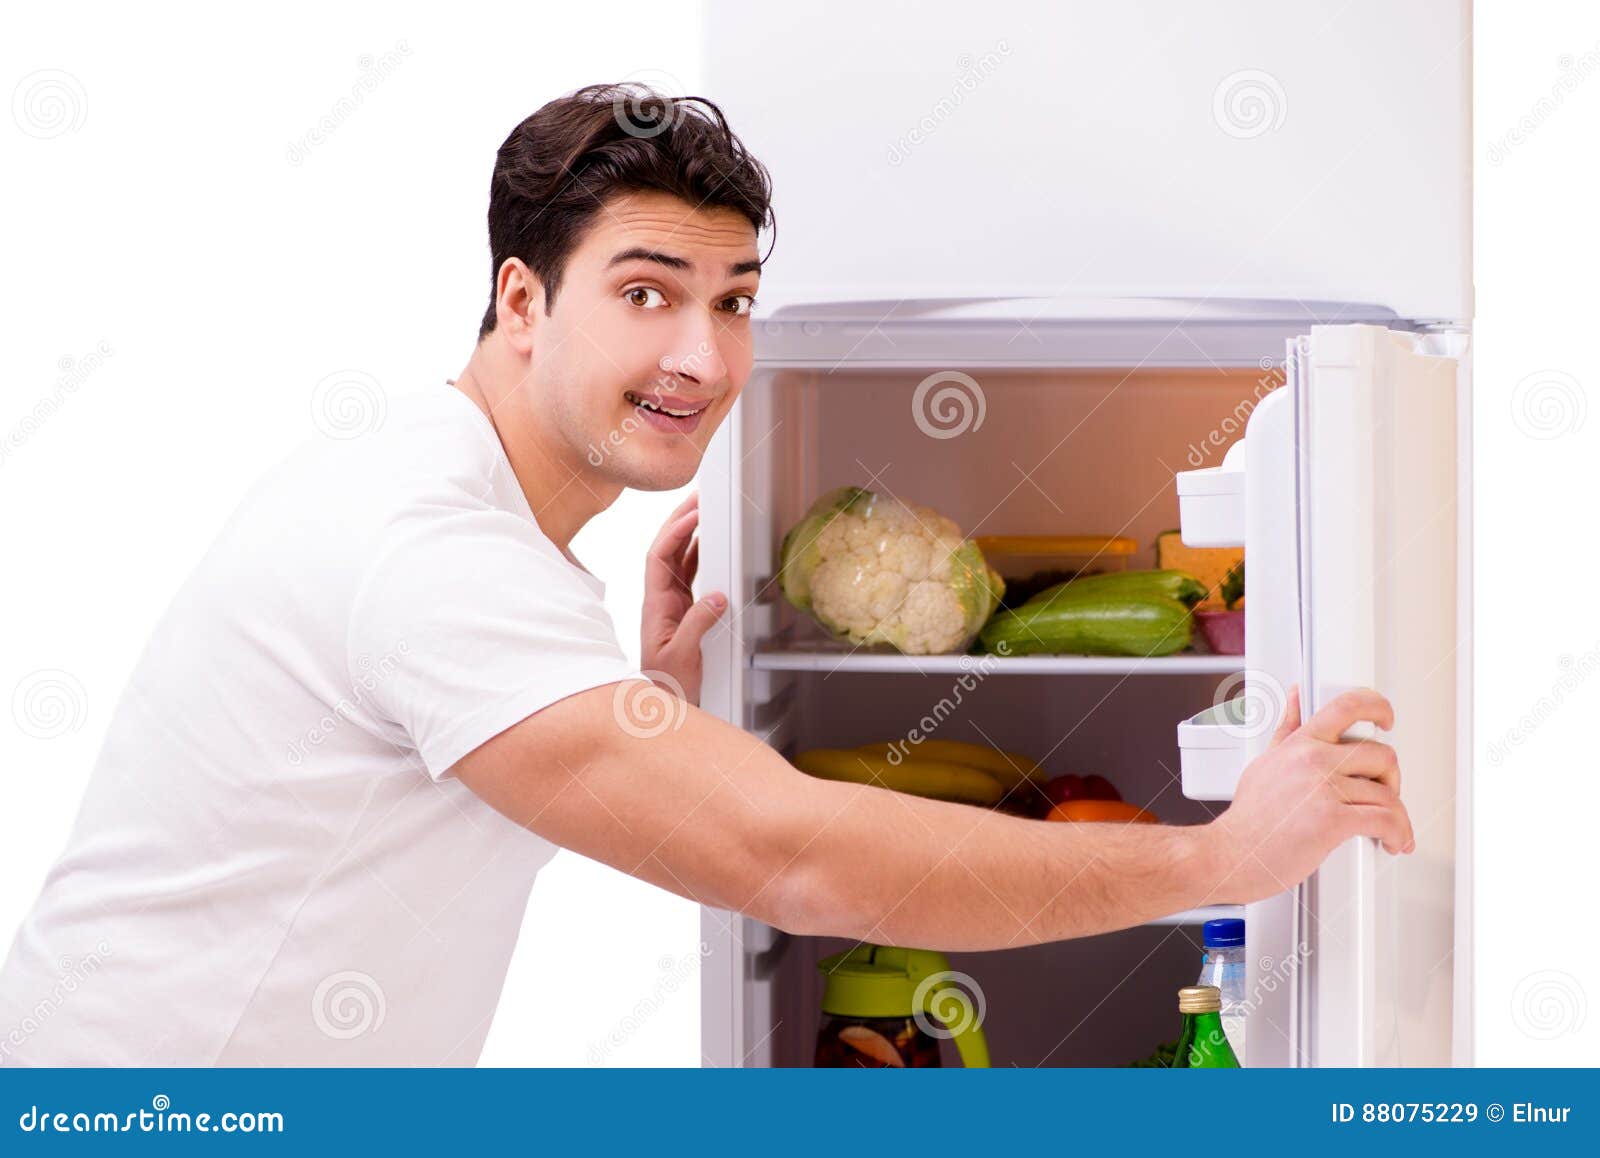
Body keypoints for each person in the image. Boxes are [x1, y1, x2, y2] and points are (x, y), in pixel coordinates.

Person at [0, 84, 1413, 1066]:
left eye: (732, 300)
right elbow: (788, 852)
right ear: (520, 298)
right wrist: (1224, 858)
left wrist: (630, 700)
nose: (702, 355)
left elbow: (407, 802)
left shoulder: (476, 534)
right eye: (646, 290)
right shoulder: (425, 549)